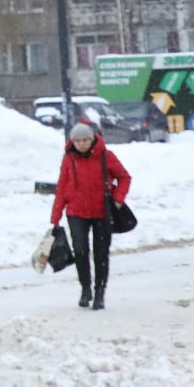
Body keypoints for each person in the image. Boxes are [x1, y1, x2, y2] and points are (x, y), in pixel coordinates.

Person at [49, 121, 131, 311]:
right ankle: (86, 289)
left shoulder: (106, 156)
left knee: (101, 253)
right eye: (77, 140)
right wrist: (56, 215)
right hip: (76, 212)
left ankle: (100, 292)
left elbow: (125, 177)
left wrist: (118, 198)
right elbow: (62, 186)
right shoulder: (69, 158)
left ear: (91, 138)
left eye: (85, 139)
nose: (81, 144)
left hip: (102, 211)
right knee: (80, 251)